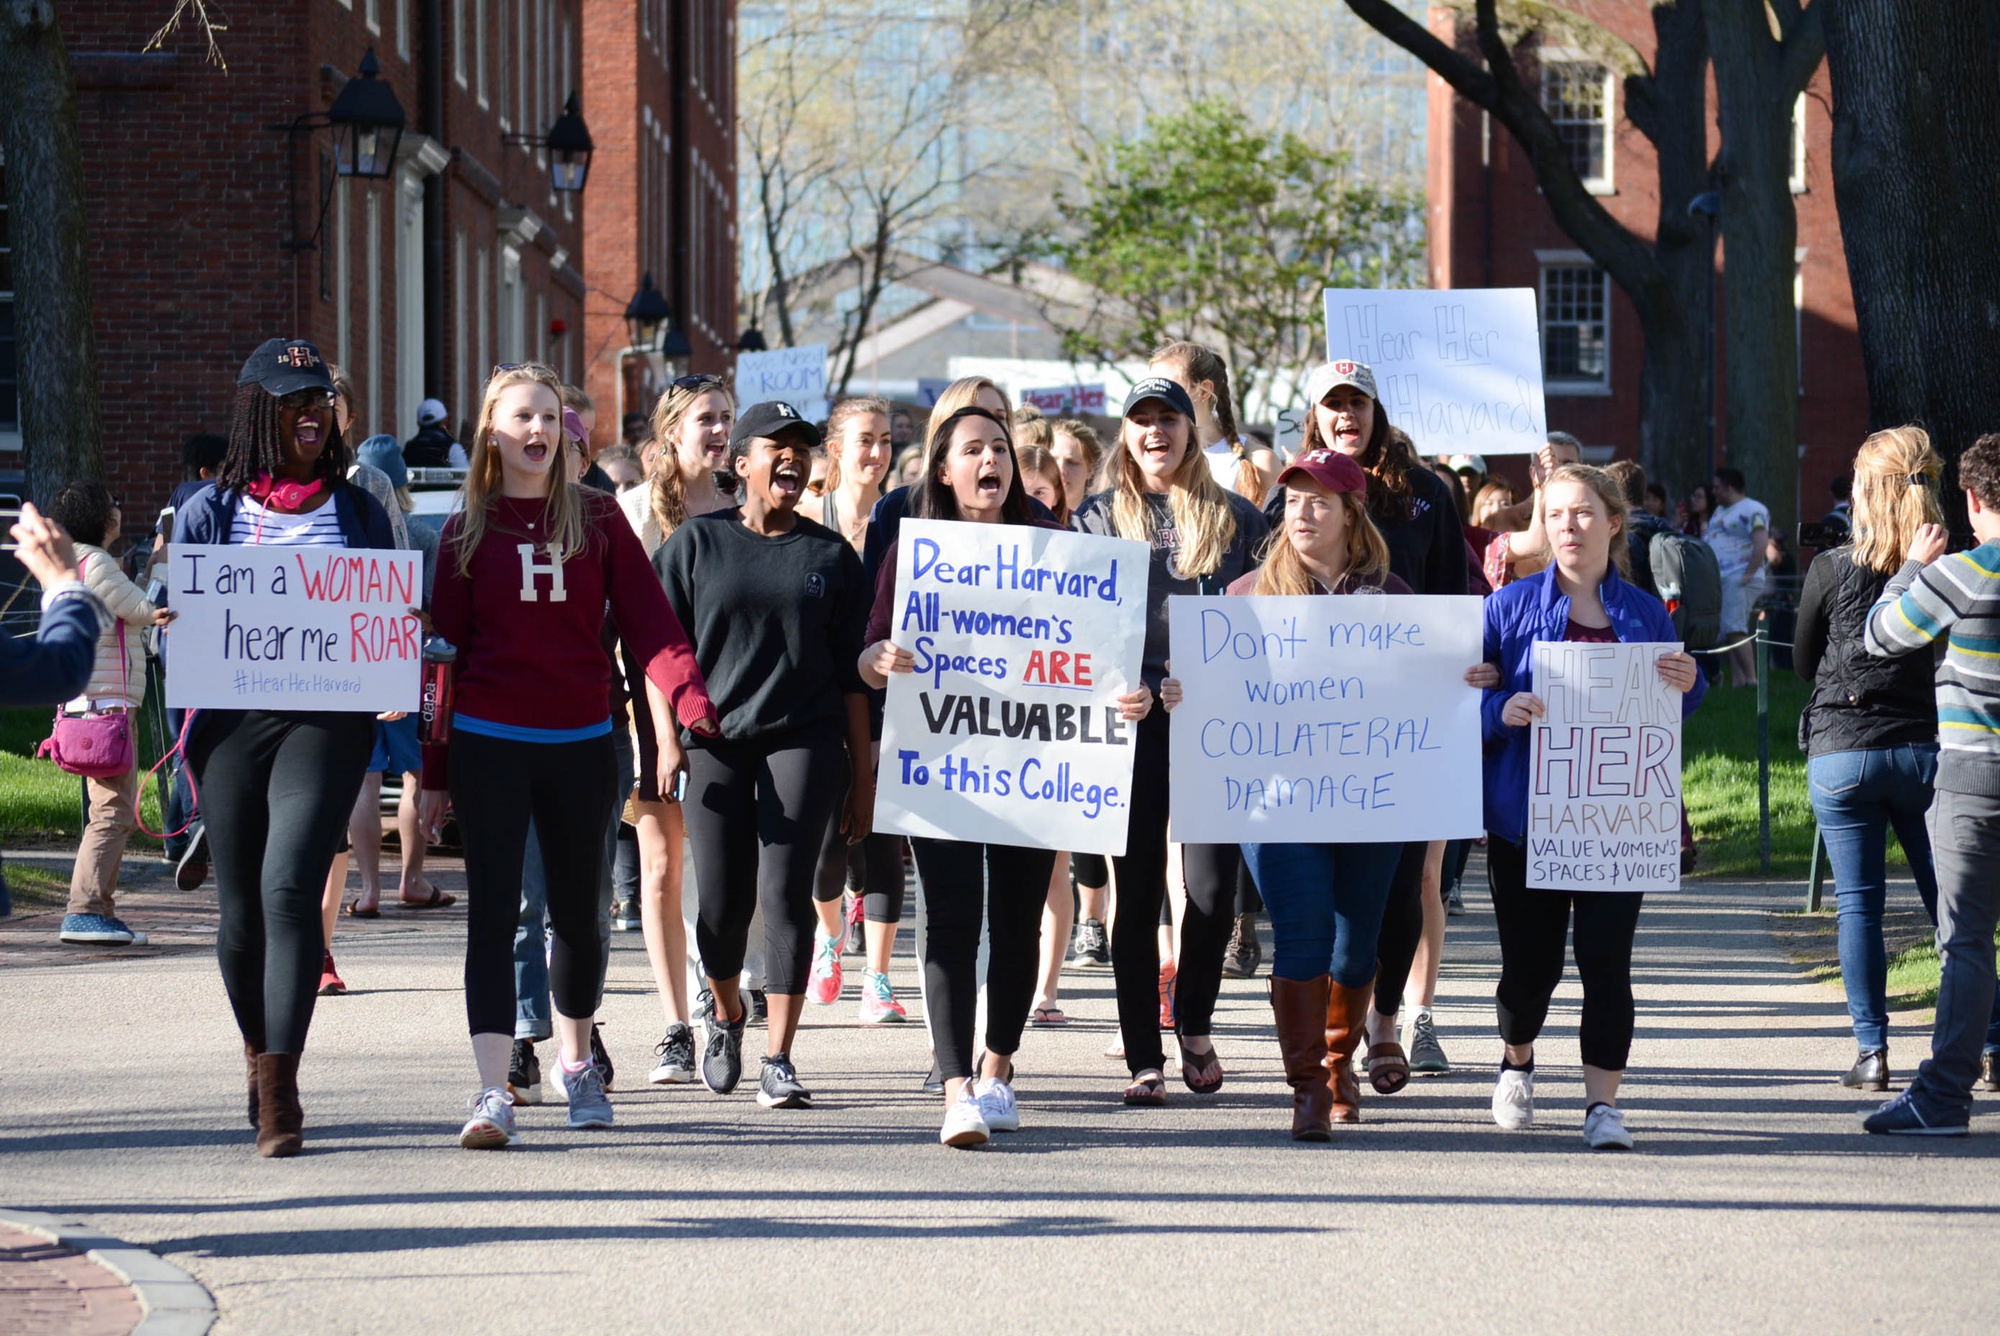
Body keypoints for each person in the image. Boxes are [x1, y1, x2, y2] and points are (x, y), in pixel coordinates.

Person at [421, 361, 716, 1150]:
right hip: (489, 743)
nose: (538, 430)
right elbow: (442, 661)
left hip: (582, 743)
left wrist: (689, 700)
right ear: (491, 432)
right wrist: (434, 773)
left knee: (582, 916)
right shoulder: (464, 529)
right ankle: (493, 1089)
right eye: (522, 416)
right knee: (495, 915)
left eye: (550, 417)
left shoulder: (599, 517)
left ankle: (577, 1063)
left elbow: (652, 624)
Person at [1165, 448, 1489, 1137]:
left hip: (1371, 802)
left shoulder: (1394, 600)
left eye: (1320, 501)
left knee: (1354, 947)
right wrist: (1183, 692)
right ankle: (1309, 1087)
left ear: (1351, 514)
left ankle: (1342, 1065)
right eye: (1293, 500)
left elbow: (1428, 690)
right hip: (1276, 804)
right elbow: (1219, 694)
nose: (1303, 513)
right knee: (1303, 936)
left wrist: (1466, 681)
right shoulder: (1245, 598)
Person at [861, 404, 1152, 1144]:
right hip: (944, 765)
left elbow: (1108, 653)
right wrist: (878, 659)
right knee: (952, 920)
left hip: (1036, 767)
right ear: (944, 470)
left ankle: (997, 1069)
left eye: (999, 448)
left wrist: (1134, 694)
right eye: (972, 450)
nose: (989, 460)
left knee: (1018, 922)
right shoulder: (914, 552)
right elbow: (868, 654)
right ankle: (954, 1087)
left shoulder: (1057, 548)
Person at [170, 337, 401, 1156]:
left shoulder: (360, 512)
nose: (312, 413)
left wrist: (399, 645)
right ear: (257, 413)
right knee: (239, 910)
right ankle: (256, 1049)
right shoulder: (209, 512)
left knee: (290, 888)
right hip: (230, 726)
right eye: (293, 400)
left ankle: (281, 1086)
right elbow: (182, 633)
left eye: (320, 399)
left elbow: (386, 615)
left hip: (325, 723)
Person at [1480, 463, 1704, 1149]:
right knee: (1532, 970)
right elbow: (1465, 701)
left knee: (1606, 963)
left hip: (1616, 822)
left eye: (1582, 513)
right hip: (1526, 822)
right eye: (1555, 514)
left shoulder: (1644, 612)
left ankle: (1602, 1106)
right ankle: (1517, 1059)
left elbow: (1666, 713)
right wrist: (1499, 709)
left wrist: (1690, 682)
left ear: (1613, 522)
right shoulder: (1508, 607)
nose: (1568, 527)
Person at [656, 400, 872, 1111]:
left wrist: (864, 779)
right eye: (776, 446)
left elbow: (852, 680)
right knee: (721, 904)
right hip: (715, 740)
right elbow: (658, 648)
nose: (792, 457)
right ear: (741, 462)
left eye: (803, 448)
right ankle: (726, 1011)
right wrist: (666, 740)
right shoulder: (695, 544)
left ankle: (779, 1057)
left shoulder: (831, 557)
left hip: (804, 739)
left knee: (784, 894)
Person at [1073, 377, 1269, 1104]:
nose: (1155, 431)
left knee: (1212, 893)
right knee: (1137, 892)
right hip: (1131, 724)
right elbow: (1071, 627)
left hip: (1212, 723)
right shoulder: (1096, 518)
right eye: (1142, 420)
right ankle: (1142, 1056)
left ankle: (1195, 1020)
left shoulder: (1238, 518)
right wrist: (1113, 684)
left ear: (1192, 430)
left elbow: (1272, 620)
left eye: (1169, 418)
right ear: (1126, 435)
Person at [1292, 358, 1468, 1088]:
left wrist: (1463, 673)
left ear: (1376, 411)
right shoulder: (1294, 492)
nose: (1346, 416)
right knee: (1332, 888)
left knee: (1405, 881)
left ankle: (1387, 1023)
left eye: (1357, 403)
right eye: (1333, 405)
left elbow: (1456, 600)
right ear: (1315, 417)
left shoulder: (1426, 493)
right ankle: (1332, 1038)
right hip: (1310, 728)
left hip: (1404, 721)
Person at [1794, 427, 1982, 1092]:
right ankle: (1988, 1040)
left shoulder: (1830, 567)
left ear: (1863, 492)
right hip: (1927, 747)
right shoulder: (1953, 567)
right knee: (1952, 903)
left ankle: (1872, 1051)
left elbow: (1801, 660)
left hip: (1843, 749)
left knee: (1858, 906)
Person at [1861, 432, 2000, 1133]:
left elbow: (1882, 636)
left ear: (1972, 500)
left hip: (1974, 779)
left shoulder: (1966, 574)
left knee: (1967, 940)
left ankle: (1943, 1096)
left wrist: (1910, 570)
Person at [616, 374, 742, 1084]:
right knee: (662, 869)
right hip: (655, 708)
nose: (720, 430)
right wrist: (664, 736)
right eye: (706, 419)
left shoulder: (743, 504)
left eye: (726, 417)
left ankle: (724, 994)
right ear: (672, 432)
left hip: (734, 710)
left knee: (727, 871)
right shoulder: (639, 511)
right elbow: (642, 636)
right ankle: (675, 1026)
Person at [803, 396, 910, 1024]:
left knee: (885, 840)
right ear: (836, 448)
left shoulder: (903, 521)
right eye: (865, 439)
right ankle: (830, 935)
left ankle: (878, 977)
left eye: (886, 440)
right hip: (820, 702)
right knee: (829, 848)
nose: (877, 452)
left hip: (891, 699)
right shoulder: (807, 516)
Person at [45, 481, 174, 947]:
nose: (119, 509)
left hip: (85, 705)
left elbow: (126, 606)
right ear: (102, 518)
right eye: (113, 504)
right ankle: (85, 911)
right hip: (108, 708)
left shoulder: (71, 563)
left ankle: (100, 910)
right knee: (113, 813)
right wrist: (162, 565)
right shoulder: (96, 562)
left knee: (105, 810)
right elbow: (148, 609)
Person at [1150, 340, 1275, 505]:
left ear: (1205, 391)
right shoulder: (1151, 460)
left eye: (1170, 388)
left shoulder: (1258, 461)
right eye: (1151, 389)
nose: (1157, 399)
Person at [1484, 432, 1584, 590]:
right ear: (1533, 472)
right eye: (1550, 464)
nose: (1558, 470)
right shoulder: (1502, 521)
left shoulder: (1593, 521)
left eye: (1568, 465)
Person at [1706, 466, 1771, 688]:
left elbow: (1761, 541)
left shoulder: (1753, 509)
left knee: (1735, 628)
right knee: (1730, 629)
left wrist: (1749, 573)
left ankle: (1752, 680)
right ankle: (1738, 681)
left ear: (1730, 488)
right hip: (1724, 577)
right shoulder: (1720, 511)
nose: (1714, 492)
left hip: (1739, 576)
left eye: (1717, 487)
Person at [404, 397, 468, 469]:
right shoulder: (453, 448)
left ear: (418, 423)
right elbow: (464, 473)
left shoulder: (409, 448)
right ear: (444, 421)